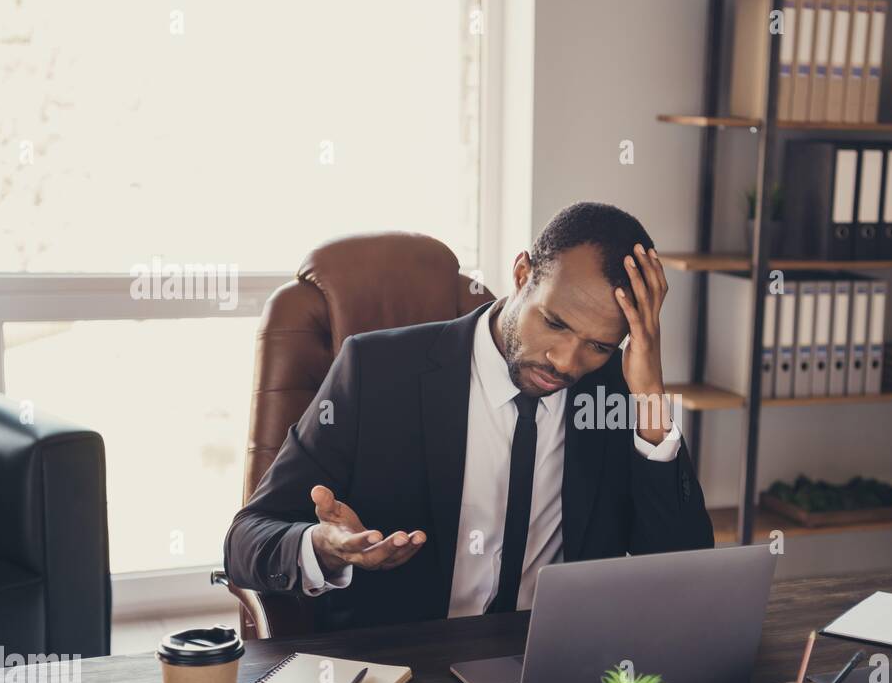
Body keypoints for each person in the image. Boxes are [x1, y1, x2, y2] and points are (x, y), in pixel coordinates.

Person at [223, 201, 714, 628]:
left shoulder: (615, 393)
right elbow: (246, 540)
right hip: (409, 671)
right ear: (522, 274)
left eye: (599, 345)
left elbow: (685, 574)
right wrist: (323, 546)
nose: (567, 362)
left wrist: (650, 395)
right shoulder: (375, 372)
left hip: (554, 667)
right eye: (555, 323)